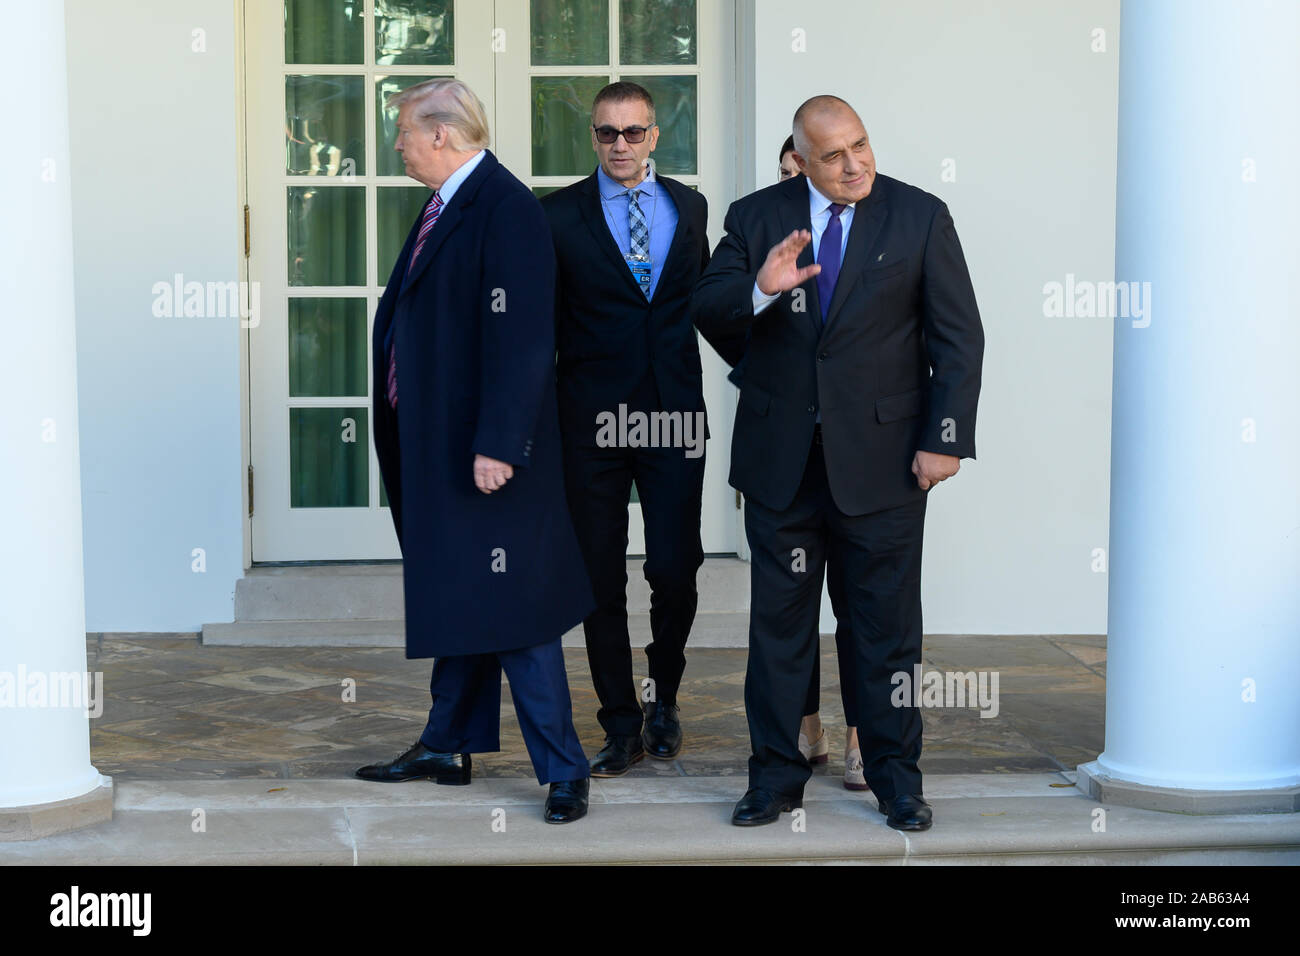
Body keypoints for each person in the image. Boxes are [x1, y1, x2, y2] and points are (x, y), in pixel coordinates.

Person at [692, 95, 984, 830]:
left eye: (861, 145)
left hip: (886, 465)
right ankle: (774, 779)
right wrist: (760, 290)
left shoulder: (920, 216)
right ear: (800, 158)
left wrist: (945, 437)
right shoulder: (755, 216)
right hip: (781, 466)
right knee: (778, 630)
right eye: (833, 155)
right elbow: (708, 307)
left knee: (885, 631)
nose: (854, 165)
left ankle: (896, 780)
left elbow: (958, 337)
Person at [357, 78, 595, 824]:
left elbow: (522, 339)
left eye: (403, 131)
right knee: (457, 591)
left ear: (440, 134)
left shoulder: (506, 207)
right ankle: (446, 743)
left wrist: (498, 444)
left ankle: (565, 770)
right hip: (440, 445)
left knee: (515, 610)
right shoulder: (448, 203)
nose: (397, 145)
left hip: (487, 454)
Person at [542, 82, 745, 776]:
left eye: (633, 132)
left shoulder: (691, 206)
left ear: (655, 135)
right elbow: (542, 325)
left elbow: (704, 303)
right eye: (607, 132)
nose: (620, 144)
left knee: (674, 568)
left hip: (671, 411)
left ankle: (664, 699)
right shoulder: (557, 215)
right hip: (591, 418)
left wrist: (759, 365)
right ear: (593, 137)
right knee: (599, 577)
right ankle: (620, 722)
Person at [751, 135, 866, 791]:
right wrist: (763, 291)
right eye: (786, 172)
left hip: (865, 462)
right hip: (785, 458)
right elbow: (725, 323)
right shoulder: (760, 235)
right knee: (787, 611)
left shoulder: (884, 231)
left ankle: (863, 736)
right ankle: (805, 728)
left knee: (864, 610)